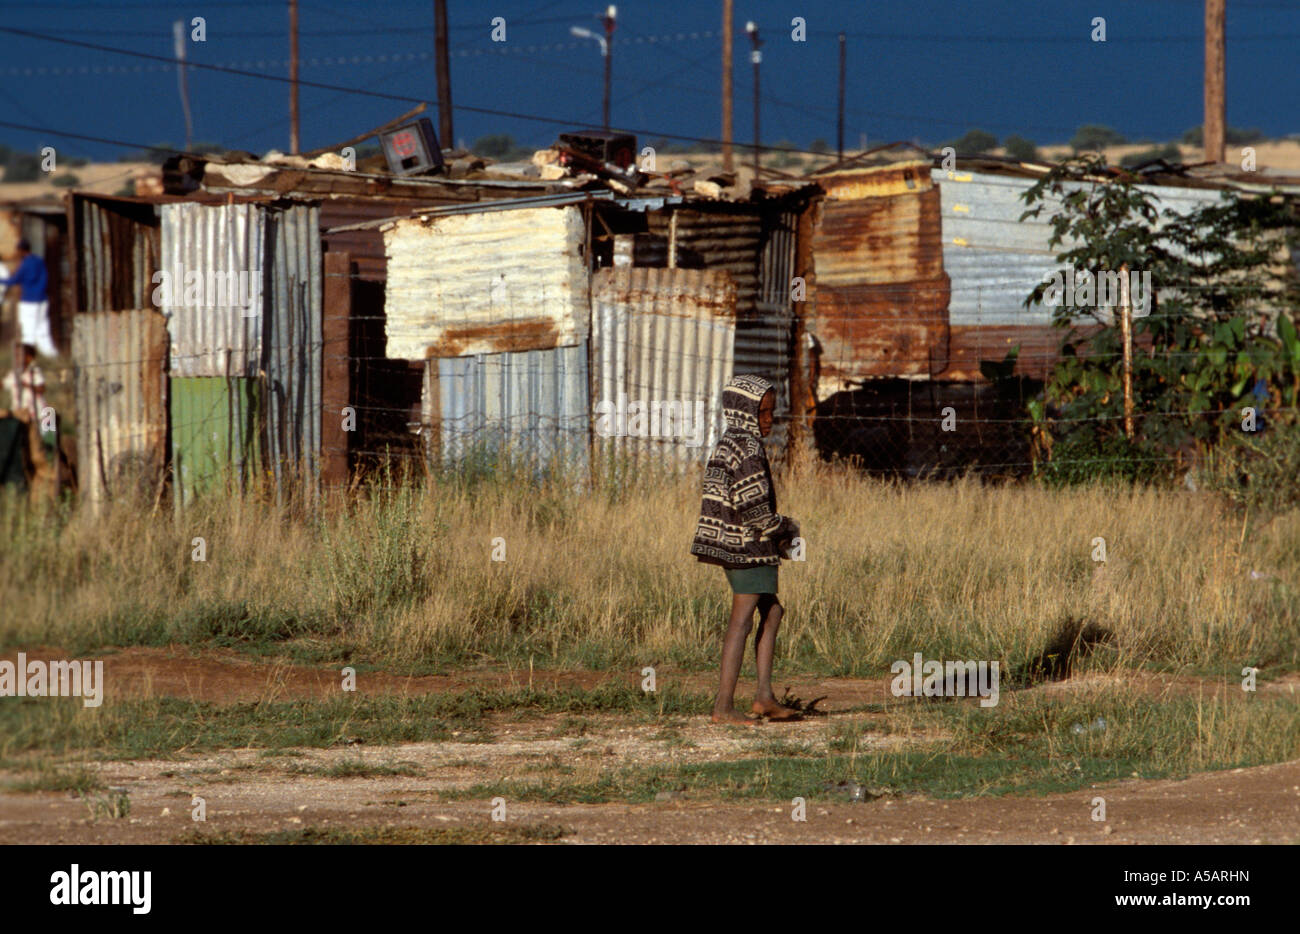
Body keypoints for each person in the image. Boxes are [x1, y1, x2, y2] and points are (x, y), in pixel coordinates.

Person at [690, 374, 802, 726]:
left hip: (731, 544)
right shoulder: (749, 448)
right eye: (762, 412)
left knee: (772, 612)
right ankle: (724, 706)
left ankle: (764, 698)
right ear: (743, 412)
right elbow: (755, 511)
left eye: (770, 412)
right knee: (742, 621)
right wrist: (787, 527)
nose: (769, 419)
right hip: (748, 547)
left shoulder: (729, 442)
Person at [1, 239, 57, 358]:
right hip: (42, 300)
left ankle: (28, 358)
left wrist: (1, 280)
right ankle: (51, 356)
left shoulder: (25, 264)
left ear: (21, 250)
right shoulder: (39, 261)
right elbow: (46, 278)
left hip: (29, 301)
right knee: (43, 330)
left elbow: (15, 280)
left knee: (28, 331)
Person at [2, 343, 46, 423]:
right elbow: (3, 384)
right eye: (15, 355)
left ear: (29, 358)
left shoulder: (34, 372)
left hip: (35, 414)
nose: (16, 358)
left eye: (19, 355)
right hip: (19, 413)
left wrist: (26, 385)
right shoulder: (13, 374)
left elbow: (41, 388)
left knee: (34, 433)